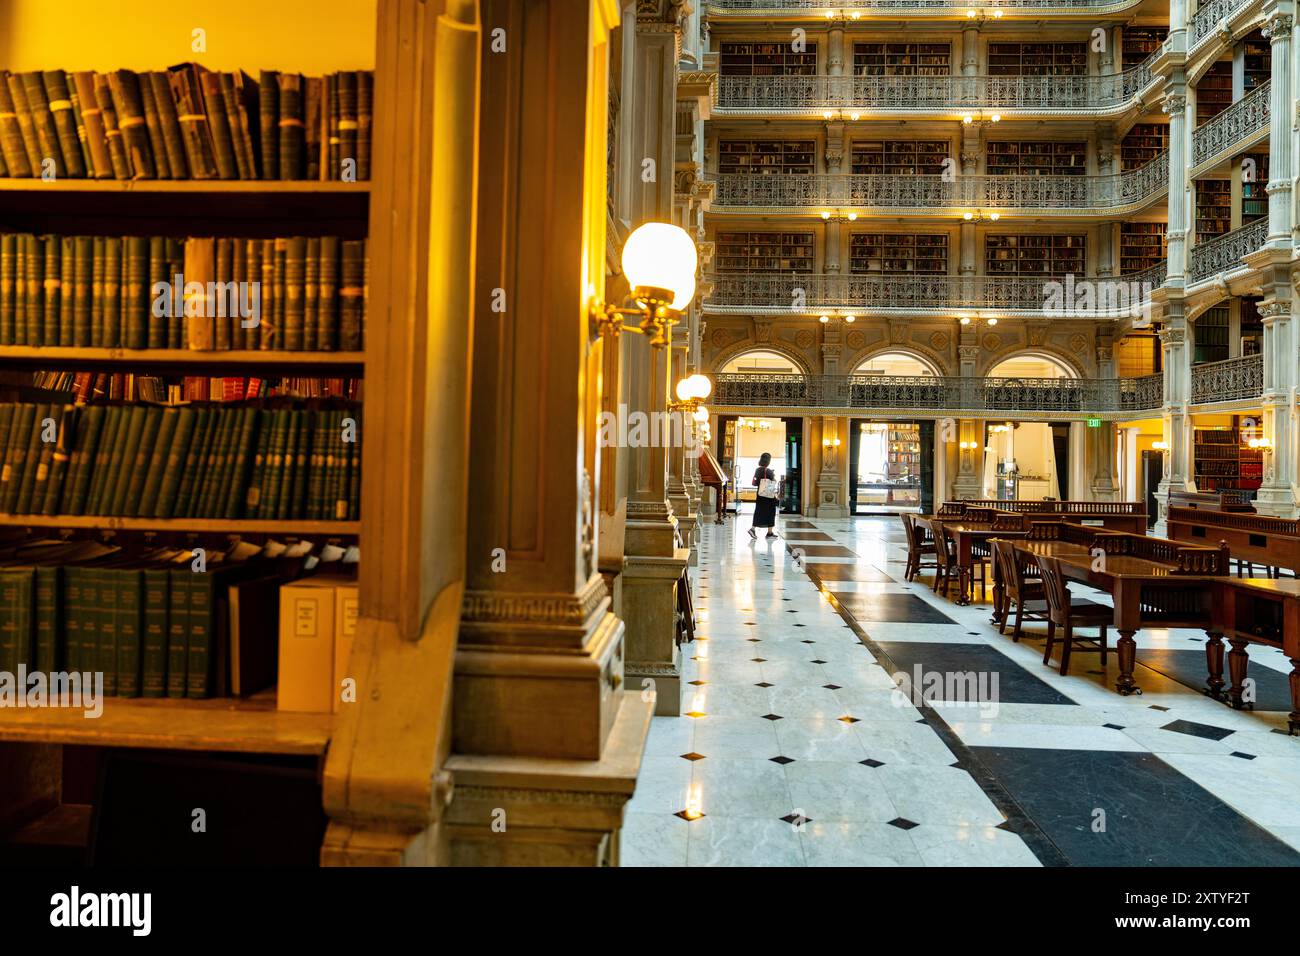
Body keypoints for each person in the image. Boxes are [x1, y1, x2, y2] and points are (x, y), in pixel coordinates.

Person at [748, 452, 779, 540]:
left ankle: (754, 529)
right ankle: (769, 533)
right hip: (768, 496)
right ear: (768, 461)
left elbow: (755, 483)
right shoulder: (768, 471)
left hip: (760, 495)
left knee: (758, 511)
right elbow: (773, 482)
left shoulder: (757, 470)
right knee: (771, 513)